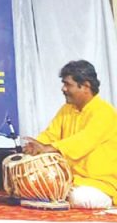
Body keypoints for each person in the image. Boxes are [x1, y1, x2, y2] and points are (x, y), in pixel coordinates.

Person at [22, 60, 117, 209]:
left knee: (80, 197)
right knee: (32, 186)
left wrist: (48, 148)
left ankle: (106, 203)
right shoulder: (67, 109)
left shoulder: (104, 112)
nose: (63, 89)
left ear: (86, 86)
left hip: (100, 185)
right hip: (71, 181)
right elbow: (50, 135)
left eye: (68, 84)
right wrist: (34, 146)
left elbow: (84, 141)